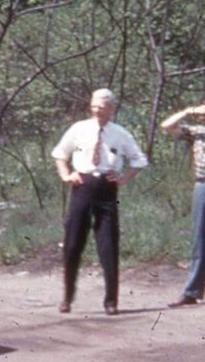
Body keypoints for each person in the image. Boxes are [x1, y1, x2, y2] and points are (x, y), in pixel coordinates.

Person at [51, 88, 146, 315]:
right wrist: (66, 175)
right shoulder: (79, 128)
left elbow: (139, 160)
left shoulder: (120, 133)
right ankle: (67, 297)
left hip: (106, 190)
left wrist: (122, 179)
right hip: (82, 187)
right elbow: (60, 154)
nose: (97, 110)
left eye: (102, 107)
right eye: (94, 105)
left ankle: (111, 301)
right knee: (73, 243)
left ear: (112, 109)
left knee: (108, 246)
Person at [161, 95, 205, 307]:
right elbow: (167, 126)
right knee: (198, 239)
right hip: (200, 185)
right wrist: (188, 111)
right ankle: (192, 291)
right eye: (201, 113)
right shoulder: (198, 133)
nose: (203, 117)